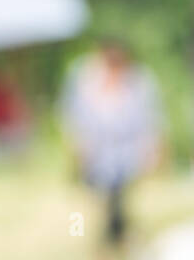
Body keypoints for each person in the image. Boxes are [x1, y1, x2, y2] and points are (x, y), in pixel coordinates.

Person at [59, 39, 162, 244]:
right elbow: (72, 114)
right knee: (94, 202)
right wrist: (79, 145)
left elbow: (149, 119)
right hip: (96, 154)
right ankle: (98, 238)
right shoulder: (84, 78)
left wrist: (151, 148)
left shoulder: (138, 82)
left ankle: (118, 234)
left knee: (119, 198)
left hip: (124, 154)